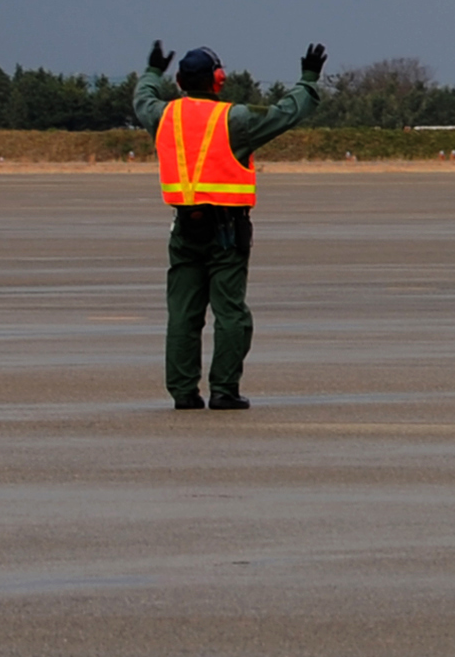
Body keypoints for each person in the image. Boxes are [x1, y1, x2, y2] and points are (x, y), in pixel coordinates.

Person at [132, 41, 326, 411]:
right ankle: (224, 390)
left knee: (183, 315)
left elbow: (142, 98)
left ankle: (184, 393)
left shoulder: (164, 116)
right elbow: (286, 112)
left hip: (184, 229)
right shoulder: (235, 119)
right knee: (230, 313)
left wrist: (152, 71)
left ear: (180, 81)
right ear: (218, 79)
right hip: (226, 232)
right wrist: (308, 80)